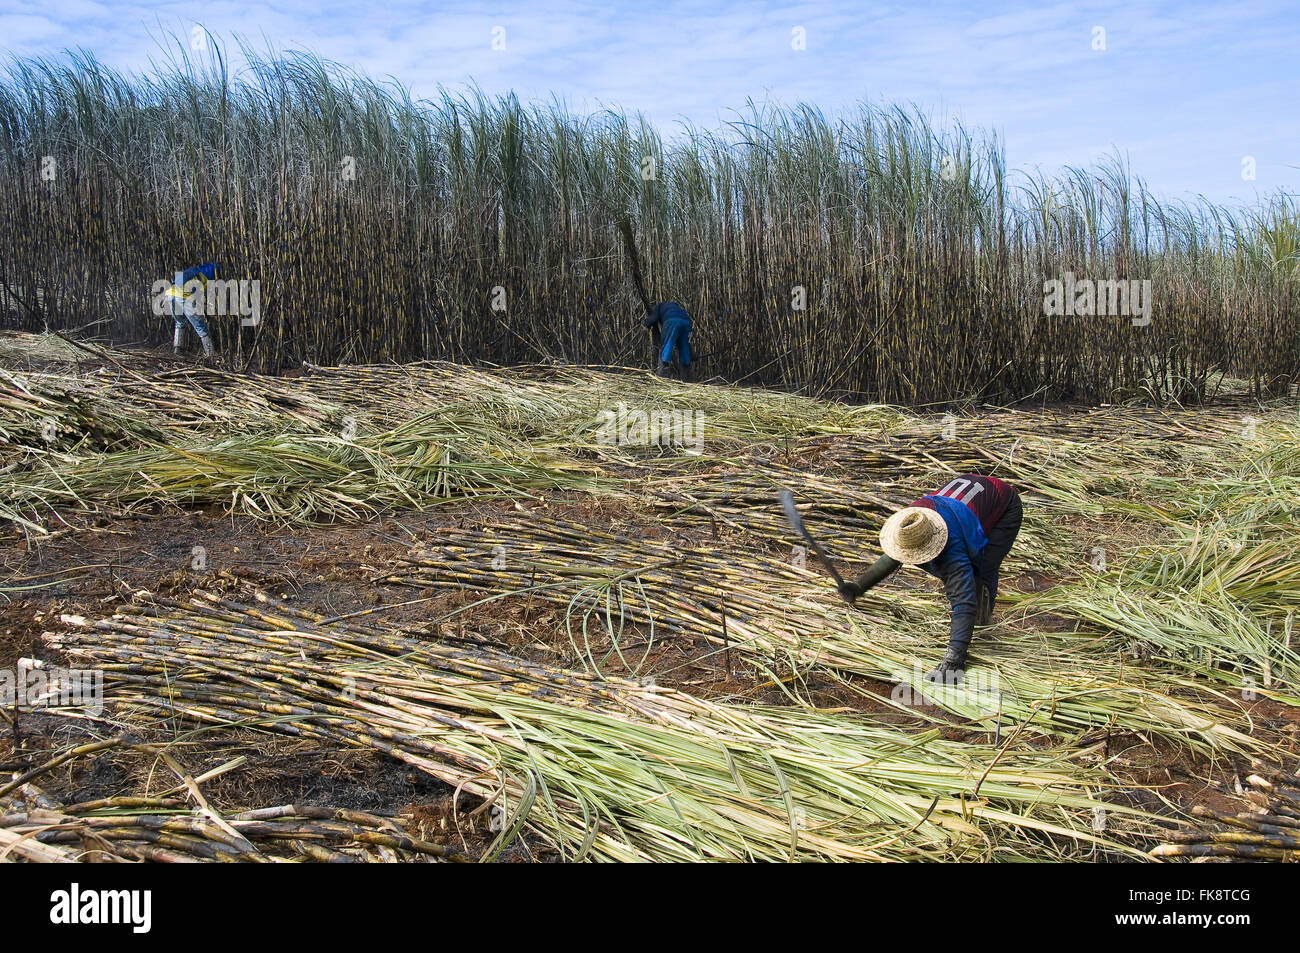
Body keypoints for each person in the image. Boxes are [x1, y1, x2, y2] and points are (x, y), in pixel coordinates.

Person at [838, 473, 1023, 684]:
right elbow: (893, 557)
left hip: (1004, 505)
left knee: (980, 571)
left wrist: (954, 661)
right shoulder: (912, 521)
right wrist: (859, 586)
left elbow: (963, 602)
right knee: (962, 574)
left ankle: (982, 627)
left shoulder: (952, 549)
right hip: (966, 497)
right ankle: (970, 628)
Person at [165, 262, 219, 358]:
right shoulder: (204, 277)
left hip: (170, 295)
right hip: (183, 297)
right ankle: (211, 354)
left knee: (179, 323)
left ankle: (177, 350)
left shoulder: (193, 271)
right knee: (201, 328)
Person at [642, 301, 693, 380]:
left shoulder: (660, 306)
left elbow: (653, 319)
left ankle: (661, 377)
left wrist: (645, 323)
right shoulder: (678, 308)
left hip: (672, 322)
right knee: (684, 350)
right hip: (686, 323)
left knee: (666, 349)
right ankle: (686, 379)